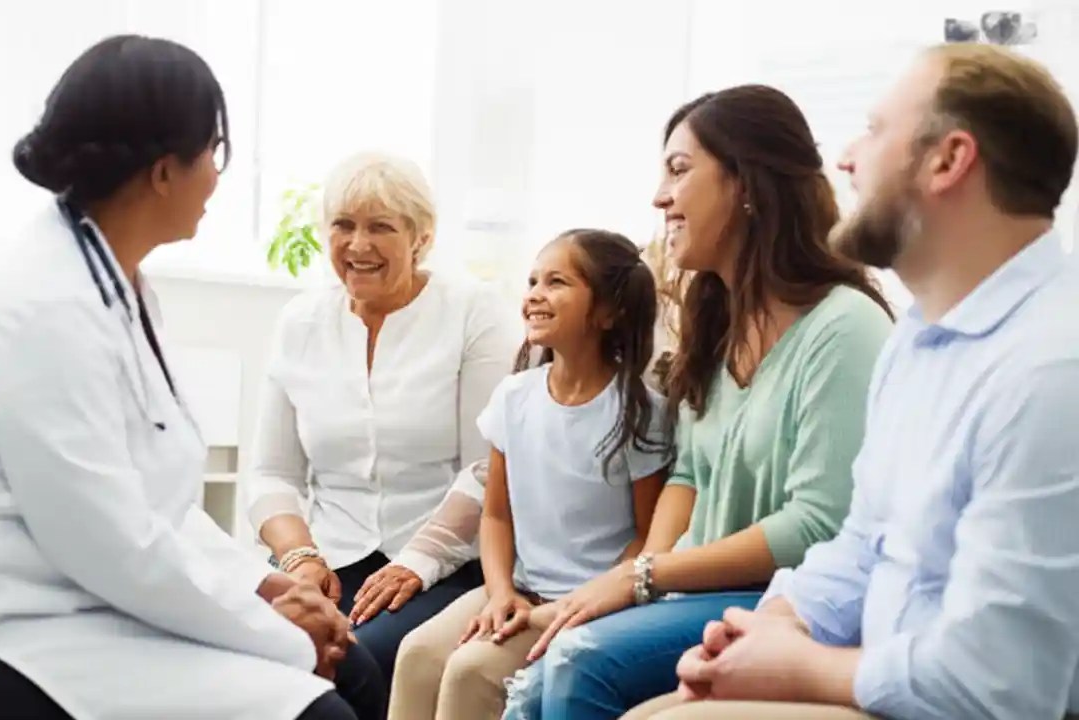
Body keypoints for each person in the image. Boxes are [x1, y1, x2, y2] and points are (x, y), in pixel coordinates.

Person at [0, 36, 382, 720]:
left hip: (67, 607)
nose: (218, 178)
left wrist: (265, 590)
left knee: (355, 670)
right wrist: (276, 631)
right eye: (214, 154)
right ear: (164, 171)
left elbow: (149, 507)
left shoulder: (112, 282)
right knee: (321, 710)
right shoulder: (41, 306)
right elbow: (111, 543)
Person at [633, 42, 1079, 720]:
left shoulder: (1050, 370)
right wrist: (776, 625)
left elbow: (998, 685)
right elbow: (862, 542)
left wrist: (799, 667)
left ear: (949, 160)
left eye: (874, 131)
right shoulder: (916, 344)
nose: (844, 159)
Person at [501, 86, 896, 720]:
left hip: (775, 600)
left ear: (746, 184)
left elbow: (817, 524)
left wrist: (643, 577)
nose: (659, 197)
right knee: (528, 682)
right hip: (690, 588)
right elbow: (686, 475)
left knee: (578, 660)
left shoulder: (845, 329)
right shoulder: (718, 322)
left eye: (679, 171)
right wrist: (642, 580)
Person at [246, 151, 520, 693]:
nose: (357, 245)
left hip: (441, 561)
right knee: (262, 646)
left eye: (381, 227)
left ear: (422, 238)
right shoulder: (299, 322)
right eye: (343, 225)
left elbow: (486, 467)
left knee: (352, 655)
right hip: (328, 558)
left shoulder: (473, 311)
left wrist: (417, 562)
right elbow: (271, 474)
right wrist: (300, 558)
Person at [389, 229, 674, 720]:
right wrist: (500, 593)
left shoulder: (642, 412)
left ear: (608, 312)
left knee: (472, 670)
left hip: (594, 603)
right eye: (533, 280)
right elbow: (496, 516)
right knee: (417, 654)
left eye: (557, 282)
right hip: (517, 589)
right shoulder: (513, 397)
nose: (536, 294)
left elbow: (649, 536)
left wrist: (581, 598)